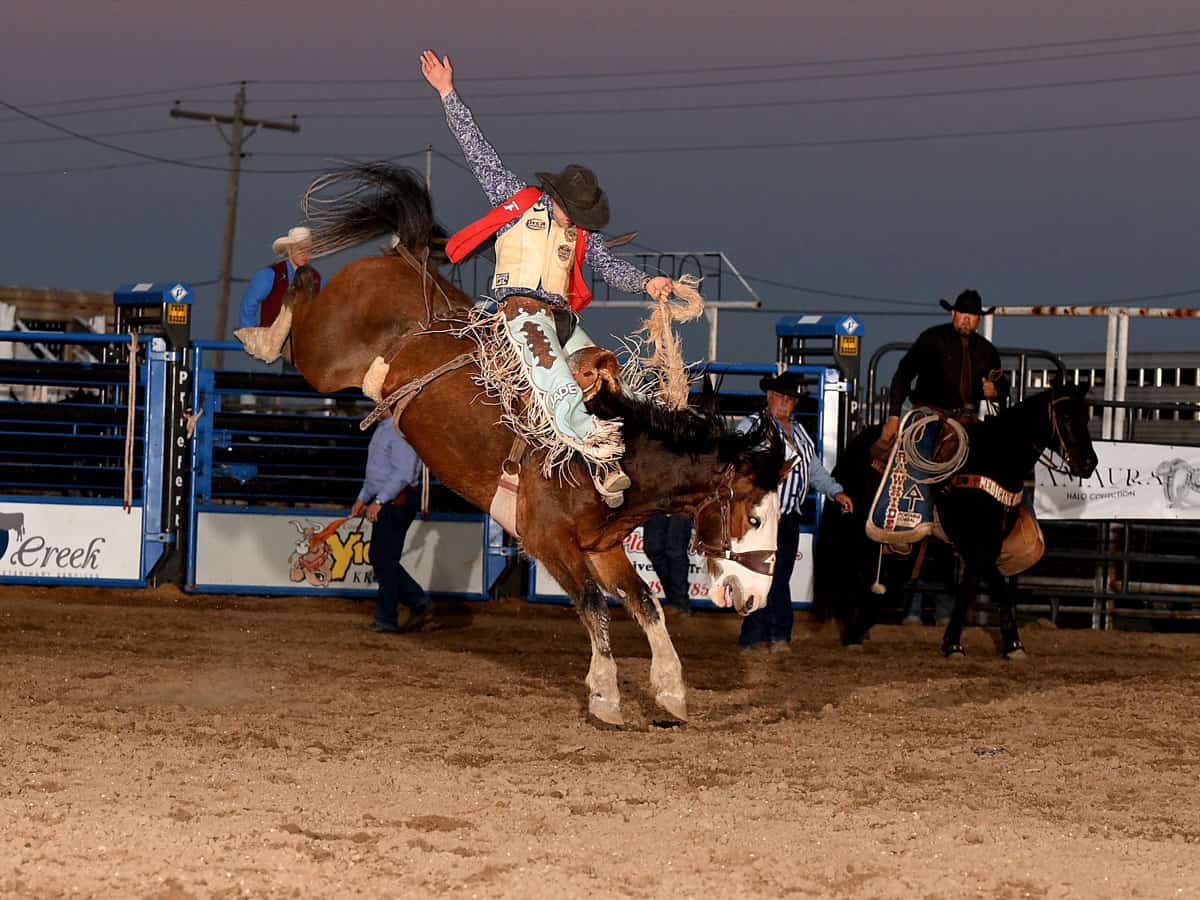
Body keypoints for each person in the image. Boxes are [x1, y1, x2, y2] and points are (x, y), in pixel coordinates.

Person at [420, 49, 675, 509]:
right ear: (555, 196)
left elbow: (607, 265)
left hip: (560, 318)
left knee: (607, 374)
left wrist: (646, 283)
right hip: (519, 314)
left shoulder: (579, 233)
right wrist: (447, 93)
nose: (574, 219)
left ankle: (643, 437)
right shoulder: (517, 200)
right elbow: (478, 152)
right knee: (557, 381)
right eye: (571, 210)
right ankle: (600, 453)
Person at [739, 372, 854, 654]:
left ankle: (777, 635)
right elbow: (735, 462)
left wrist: (835, 491)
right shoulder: (751, 426)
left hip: (787, 516)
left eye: (790, 399)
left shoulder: (800, 432)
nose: (785, 403)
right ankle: (756, 637)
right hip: (759, 518)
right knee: (760, 576)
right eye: (780, 397)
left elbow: (813, 469)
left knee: (779, 577)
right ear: (769, 397)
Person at [880, 289, 1009, 446]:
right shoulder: (932, 338)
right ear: (953, 313)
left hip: (970, 421)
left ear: (979, 319)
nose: (966, 319)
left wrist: (994, 391)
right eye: (962, 312)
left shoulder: (987, 351)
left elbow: (1002, 385)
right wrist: (894, 417)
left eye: (972, 314)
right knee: (922, 451)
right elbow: (904, 374)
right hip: (930, 416)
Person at [353, 408, 429, 634]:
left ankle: (390, 615)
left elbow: (403, 474)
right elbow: (378, 472)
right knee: (381, 557)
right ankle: (414, 601)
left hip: (396, 501)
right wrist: (363, 498)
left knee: (383, 558)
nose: (375, 405)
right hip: (390, 500)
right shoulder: (386, 429)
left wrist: (378, 501)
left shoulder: (398, 431)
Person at [236, 226, 322, 331]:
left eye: (308, 249)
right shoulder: (270, 275)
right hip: (272, 339)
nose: (305, 254)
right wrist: (251, 334)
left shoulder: (317, 279)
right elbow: (248, 306)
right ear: (289, 250)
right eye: (300, 249)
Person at [642, 513, 693, 613]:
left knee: (675, 551)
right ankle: (675, 600)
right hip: (655, 506)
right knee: (653, 548)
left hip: (681, 507)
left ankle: (680, 603)